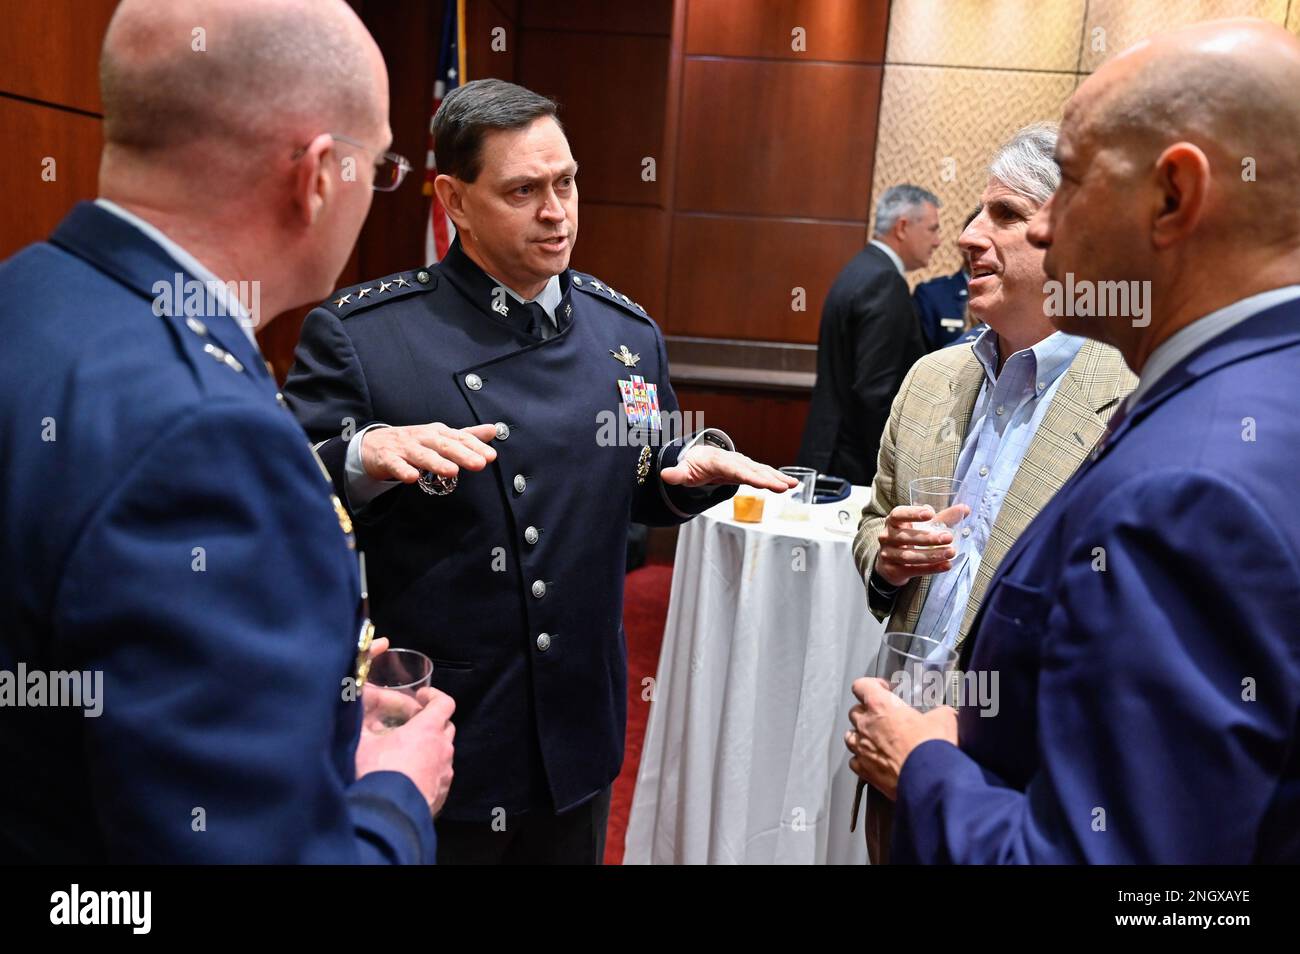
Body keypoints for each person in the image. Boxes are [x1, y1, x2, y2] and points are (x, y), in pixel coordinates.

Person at [283, 78, 794, 864]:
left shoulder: (623, 333)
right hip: (437, 732)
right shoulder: (365, 337)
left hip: (576, 726)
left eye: (567, 183)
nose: (557, 212)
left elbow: (634, 472)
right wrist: (359, 460)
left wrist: (678, 470)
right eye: (524, 191)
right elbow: (280, 508)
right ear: (453, 200)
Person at [0, 0, 458, 863]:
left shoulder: (27, 297)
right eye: (383, 165)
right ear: (320, 173)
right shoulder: (208, 437)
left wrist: (303, 712)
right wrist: (394, 794)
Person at [846, 18, 1300, 863]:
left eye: (1078, 181)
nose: (1047, 233)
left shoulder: (1197, 485)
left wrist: (926, 767)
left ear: (1174, 198)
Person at [850, 124, 1134, 863]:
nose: (970, 238)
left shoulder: (1132, 398)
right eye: (976, 215)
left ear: (1072, 238)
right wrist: (887, 557)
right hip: (897, 752)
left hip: (1024, 788)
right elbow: (874, 516)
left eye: (1004, 216)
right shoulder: (931, 380)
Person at [798, 185, 939, 486]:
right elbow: (874, 389)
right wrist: (896, 463)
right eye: (932, 229)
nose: (938, 241)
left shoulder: (861, 268)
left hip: (831, 448)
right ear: (902, 226)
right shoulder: (884, 281)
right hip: (853, 461)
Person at [912, 209, 978, 350]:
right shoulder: (932, 294)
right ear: (963, 246)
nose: (982, 250)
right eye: (975, 243)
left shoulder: (1011, 297)